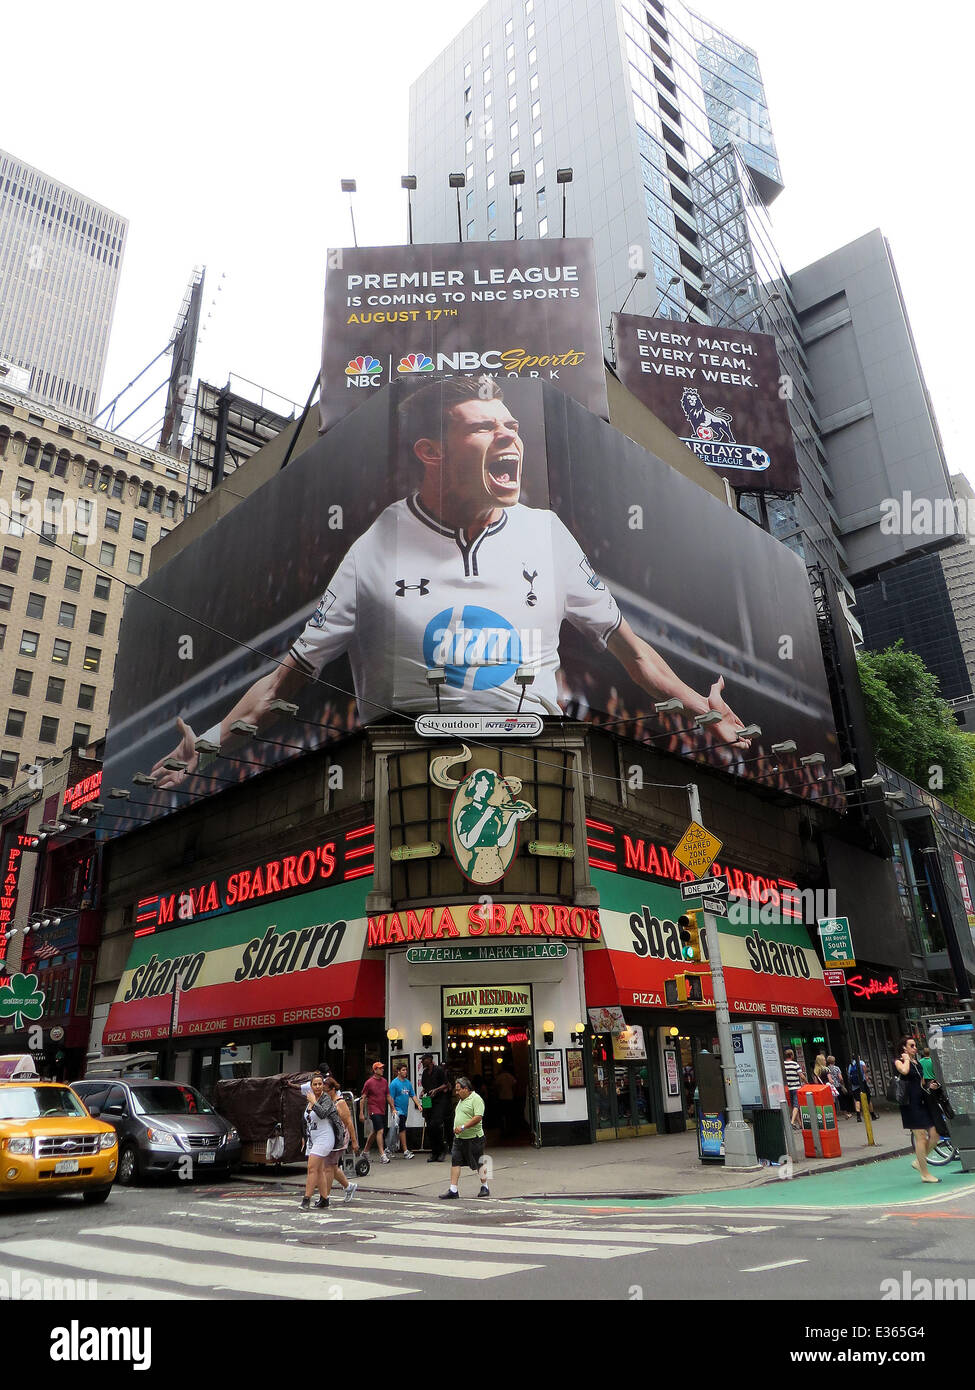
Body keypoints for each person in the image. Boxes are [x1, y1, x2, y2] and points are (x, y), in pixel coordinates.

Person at [149, 377, 751, 789]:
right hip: (403, 777)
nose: (510, 436)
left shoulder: (545, 533)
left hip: (536, 771)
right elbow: (284, 682)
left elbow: (632, 651)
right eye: (485, 428)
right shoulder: (379, 543)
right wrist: (207, 743)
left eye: (511, 425)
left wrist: (704, 708)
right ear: (431, 451)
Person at [894, 1036, 940, 1183]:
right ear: (904, 1048)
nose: (915, 1048)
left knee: (935, 1134)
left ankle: (918, 1162)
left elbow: (922, 1082)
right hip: (910, 1104)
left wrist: (929, 1086)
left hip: (921, 1102)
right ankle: (925, 1174)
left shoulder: (918, 1063)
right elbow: (904, 1071)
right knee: (920, 1137)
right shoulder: (899, 1061)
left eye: (915, 1045)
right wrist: (906, 1059)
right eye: (911, 1045)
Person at [439, 1076, 489, 1200]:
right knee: (455, 1161)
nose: (456, 1093)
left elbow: (478, 1117)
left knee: (479, 1163)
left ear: (466, 1089)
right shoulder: (461, 1099)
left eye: (458, 1090)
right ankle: (453, 1189)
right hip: (459, 1138)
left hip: (474, 1138)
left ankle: (485, 1186)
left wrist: (463, 1127)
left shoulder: (476, 1099)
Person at [299, 1073, 337, 1211]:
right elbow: (306, 1121)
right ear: (311, 1086)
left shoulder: (326, 1099)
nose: (317, 1087)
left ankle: (306, 1199)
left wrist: (314, 1102)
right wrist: (304, 1137)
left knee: (312, 1168)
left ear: (323, 1085)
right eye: (314, 1084)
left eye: (320, 1084)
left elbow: (323, 1113)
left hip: (325, 1137)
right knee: (319, 1170)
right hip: (312, 1139)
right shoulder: (309, 1098)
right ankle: (324, 1199)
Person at [322, 1076, 359, 1203]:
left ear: (332, 1090)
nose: (324, 1093)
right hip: (330, 1136)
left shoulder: (340, 1102)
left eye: (326, 1090)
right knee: (331, 1166)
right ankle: (348, 1186)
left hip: (339, 1137)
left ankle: (325, 1196)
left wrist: (354, 1141)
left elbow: (349, 1122)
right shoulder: (327, 1102)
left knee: (328, 1166)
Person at [359, 1061, 394, 1164]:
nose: (382, 1069)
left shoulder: (384, 1081)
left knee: (375, 1130)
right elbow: (363, 1098)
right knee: (380, 1130)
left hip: (382, 1109)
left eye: (382, 1068)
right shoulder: (369, 1082)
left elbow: (388, 1095)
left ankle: (365, 1152)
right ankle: (382, 1155)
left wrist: (392, 1107)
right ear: (375, 1070)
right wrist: (361, 1113)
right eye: (380, 1068)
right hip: (374, 1110)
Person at [419, 1054, 451, 1162]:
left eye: (423, 1060)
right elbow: (425, 1086)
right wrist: (423, 1092)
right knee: (429, 1126)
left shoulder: (439, 1070)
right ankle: (434, 1152)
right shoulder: (424, 1073)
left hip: (439, 1101)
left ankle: (442, 1150)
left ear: (429, 1060)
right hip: (428, 1101)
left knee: (436, 1124)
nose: (422, 1062)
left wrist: (436, 1090)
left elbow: (446, 1084)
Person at [388, 1062, 421, 1158]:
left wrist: (418, 1104)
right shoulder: (394, 1083)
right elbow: (391, 1098)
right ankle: (405, 1151)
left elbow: (412, 1095)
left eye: (406, 1070)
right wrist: (393, 1109)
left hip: (405, 1110)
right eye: (403, 1070)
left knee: (396, 1130)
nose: (405, 1072)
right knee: (402, 1129)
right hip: (398, 1111)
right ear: (398, 1072)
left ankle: (388, 1148)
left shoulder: (407, 1083)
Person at [847, 1052, 877, 1122]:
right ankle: (872, 1115)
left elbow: (849, 1075)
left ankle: (858, 1116)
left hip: (855, 1085)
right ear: (858, 1057)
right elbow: (865, 1070)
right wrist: (866, 1077)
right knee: (868, 1099)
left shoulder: (850, 1065)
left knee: (857, 1100)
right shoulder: (861, 1062)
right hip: (862, 1084)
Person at [494, 1064, 518, 1137]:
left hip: (502, 1098)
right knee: (509, 1115)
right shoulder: (510, 1076)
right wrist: (513, 1093)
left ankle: (503, 1130)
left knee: (502, 1115)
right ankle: (510, 1129)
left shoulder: (500, 1077)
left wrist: (498, 1094)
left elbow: (496, 1086)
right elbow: (514, 1085)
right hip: (510, 1098)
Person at [782, 1048, 803, 1131]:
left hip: (788, 1088)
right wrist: (806, 1081)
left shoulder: (783, 1065)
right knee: (796, 1105)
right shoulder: (795, 1064)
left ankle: (800, 1123)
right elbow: (801, 1075)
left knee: (793, 1105)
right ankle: (792, 1122)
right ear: (791, 1055)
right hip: (796, 1087)